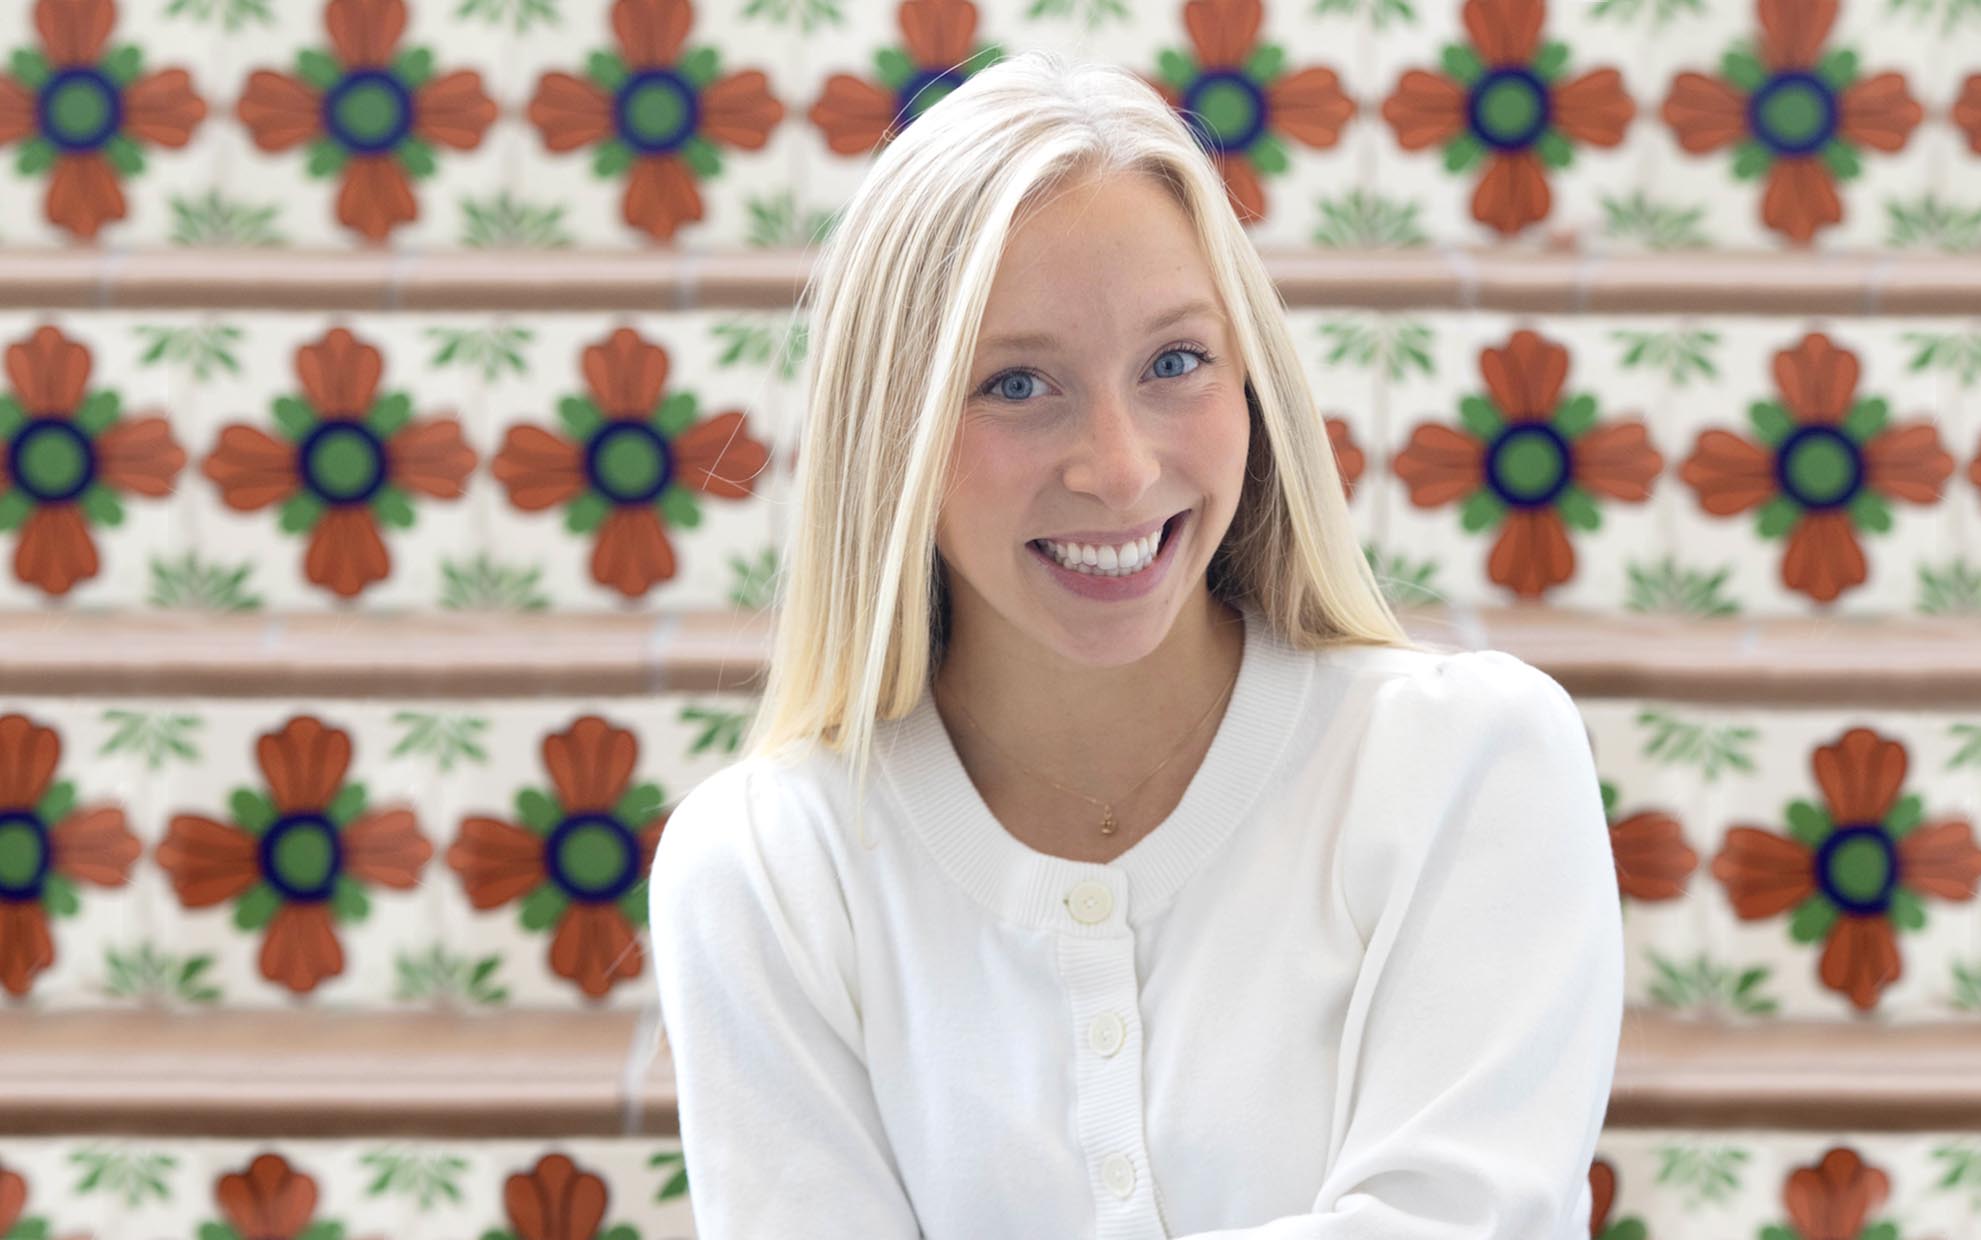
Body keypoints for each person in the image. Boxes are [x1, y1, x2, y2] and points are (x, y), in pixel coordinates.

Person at [646, 47, 1624, 1239]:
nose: (1118, 467)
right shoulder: (765, 868)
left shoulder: (1468, 766)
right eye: (1017, 384)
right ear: (890, 433)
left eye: (1175, 361)